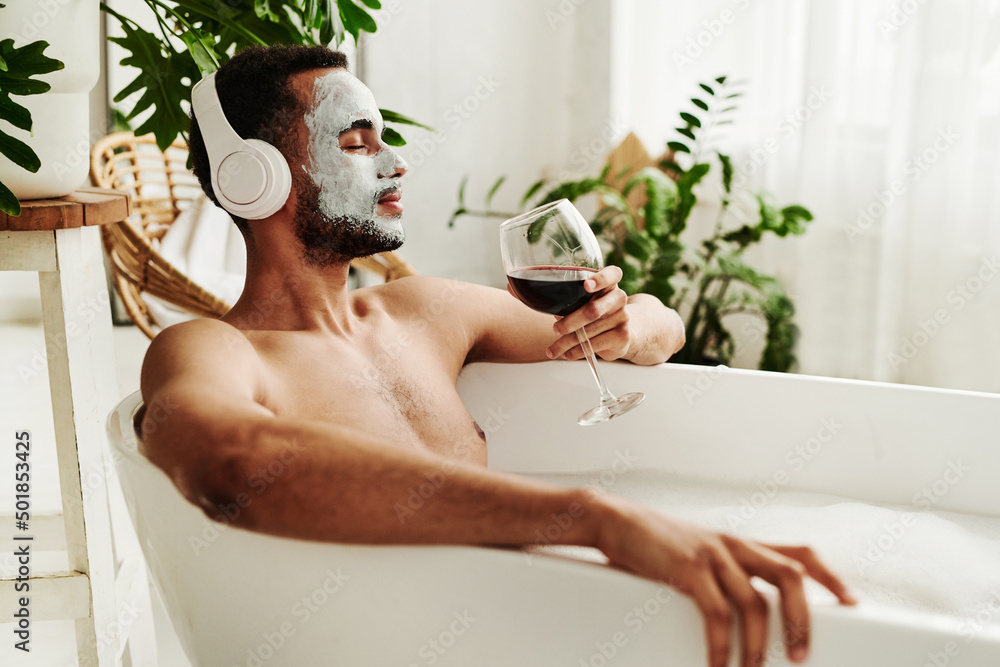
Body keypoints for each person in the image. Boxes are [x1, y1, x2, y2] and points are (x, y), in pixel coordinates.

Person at [140, 44, 856, 667]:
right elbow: (228, 463)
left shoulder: (423, 311)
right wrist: (597, 518)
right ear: (252, 177)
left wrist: (629, 325)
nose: (396, 160)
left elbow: (660, 325)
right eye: (357, 142)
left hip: (510, 632)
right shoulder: (208, 347)